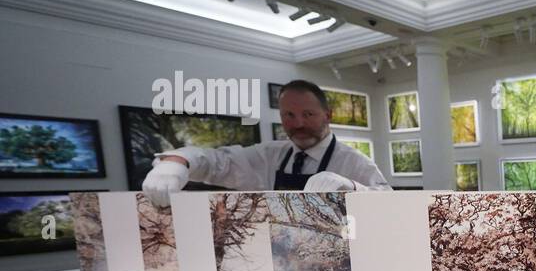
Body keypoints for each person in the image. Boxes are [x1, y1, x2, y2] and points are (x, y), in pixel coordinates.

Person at [142, 79, 391, 206]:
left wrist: (354, 190)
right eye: (289, 116)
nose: (299, 124)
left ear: (328, 115)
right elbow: (218, 162)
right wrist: (177, 161)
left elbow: (390, 204)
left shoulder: (353, 161)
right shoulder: (268, 155)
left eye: (308, 115)